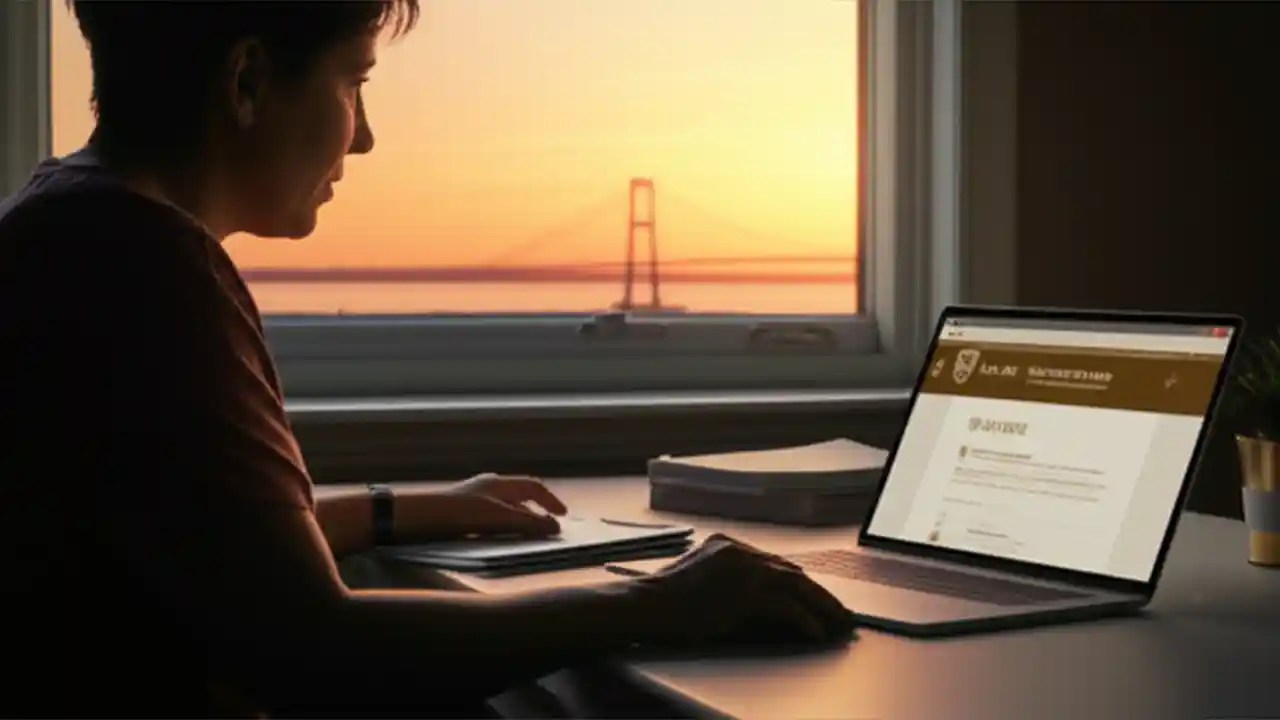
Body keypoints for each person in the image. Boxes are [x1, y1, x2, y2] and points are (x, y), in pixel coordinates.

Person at [0, 1, 855, 717]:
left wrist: (400, 508)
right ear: (248, 81)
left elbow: (213, 553)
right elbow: (312, 649)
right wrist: (658, 602)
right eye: (355, 82)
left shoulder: (63, 216)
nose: (365, 137)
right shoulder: (151, 269)